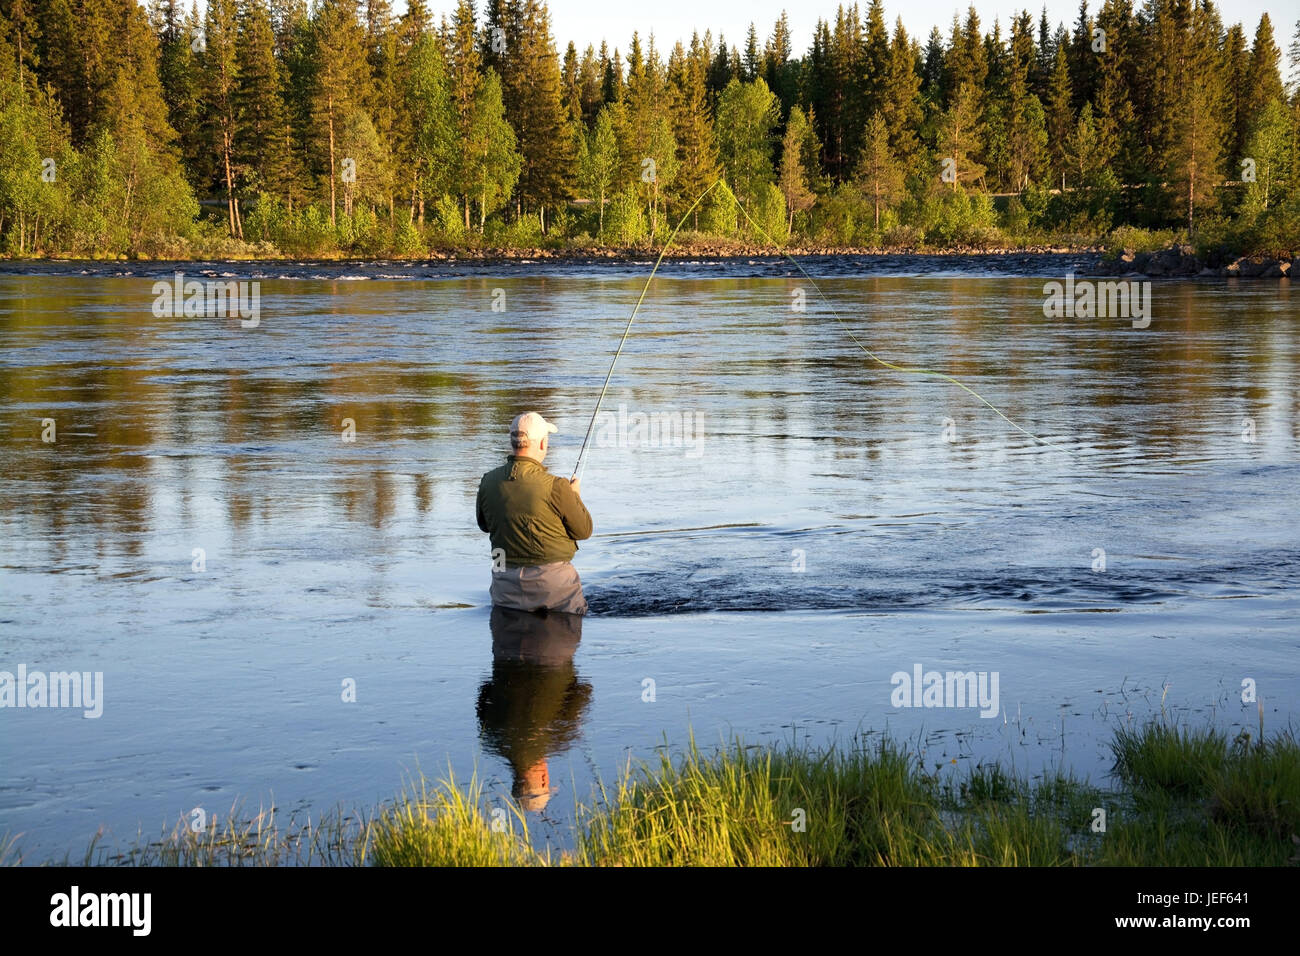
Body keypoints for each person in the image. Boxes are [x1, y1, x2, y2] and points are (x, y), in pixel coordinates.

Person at [476, 411, 593, 614]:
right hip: (554, 589)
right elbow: (584, 531)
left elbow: (484, 525)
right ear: (541, 444)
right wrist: (574, 497)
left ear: (513, 442)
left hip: (504, 586)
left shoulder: (487, 481)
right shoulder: (557, 486)